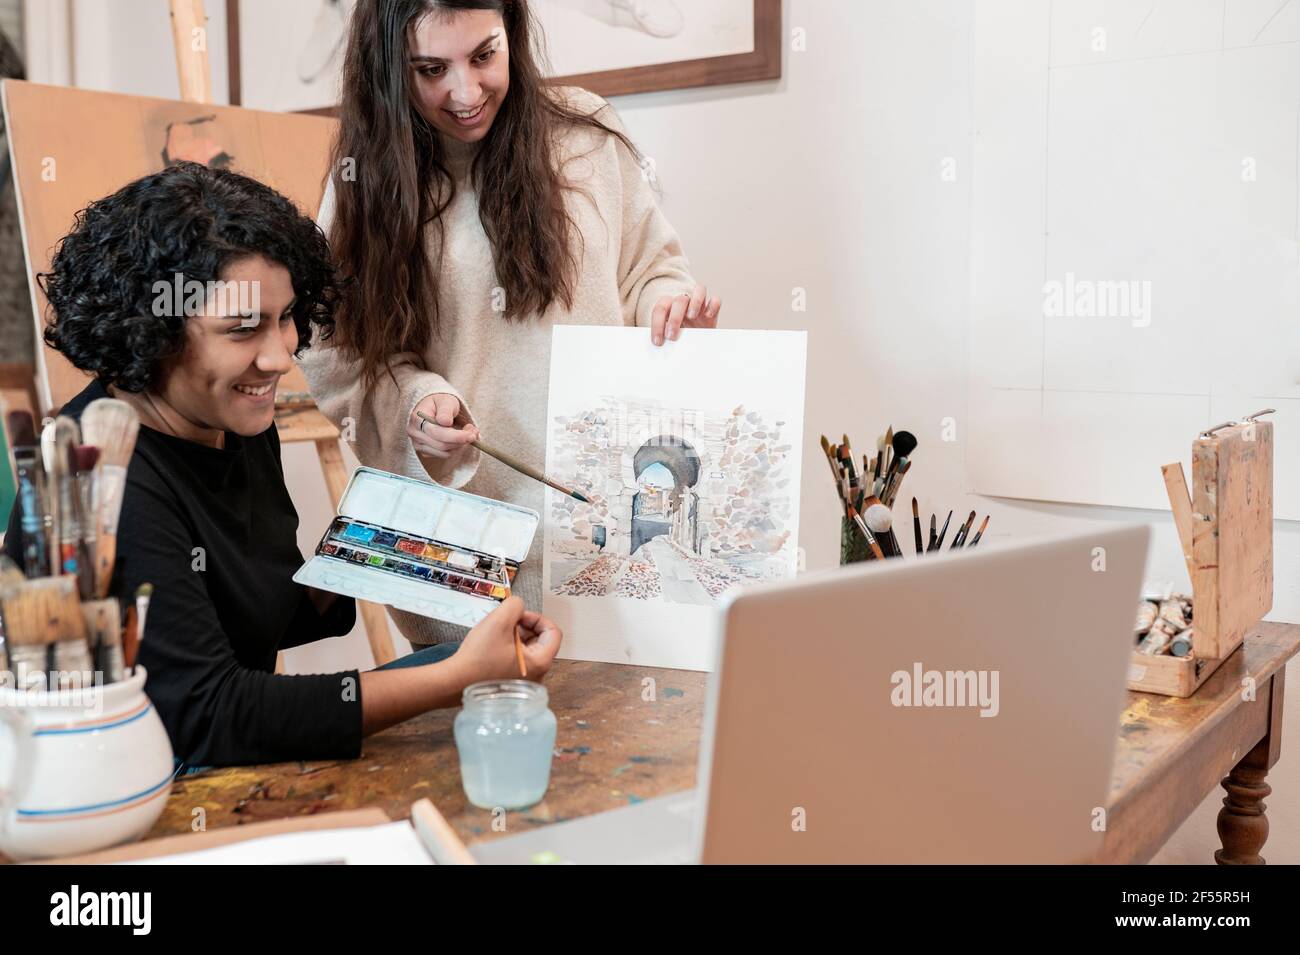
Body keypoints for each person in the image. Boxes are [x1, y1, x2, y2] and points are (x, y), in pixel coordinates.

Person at [3, 162, 562, 767]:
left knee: (508, 686)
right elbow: (209, 715)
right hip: (151, 770)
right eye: (242, 328)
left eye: (286, 317)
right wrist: (455, 676)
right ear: (151, 329)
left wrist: (377, 550)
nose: (279, 356)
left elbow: (264, 616)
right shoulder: (100, 475)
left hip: (220, 732)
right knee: (465, 683)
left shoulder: (234, 423)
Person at [301, 0, 722, 647]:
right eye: (431, 69)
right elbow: (337, 353)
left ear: (512, 34)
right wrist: (417, 403)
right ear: (387, 66)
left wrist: (668, 303)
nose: (466, 92)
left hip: (611, 550)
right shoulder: (364, 179)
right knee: (473, 708)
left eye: (484, 55)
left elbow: (649, 269)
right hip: (462, 563)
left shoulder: (586, 135)